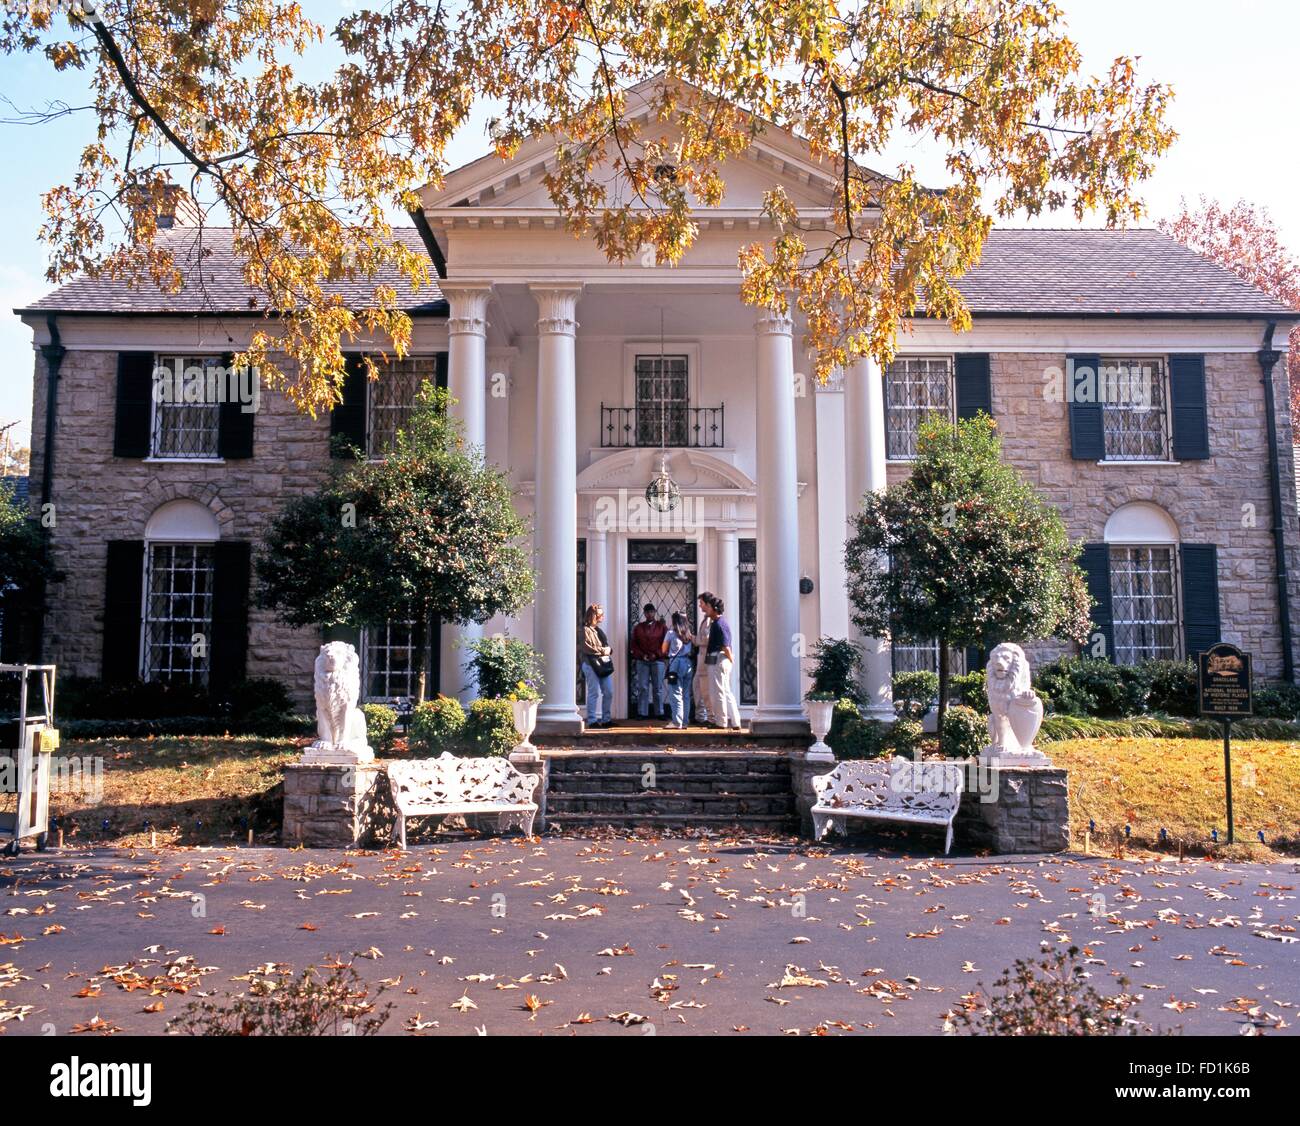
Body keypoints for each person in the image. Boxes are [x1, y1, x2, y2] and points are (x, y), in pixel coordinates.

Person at [698, 591, 742, 730]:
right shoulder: (721, 623)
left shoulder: (718, 624)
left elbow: (725, 645)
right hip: (721, 658)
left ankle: (721, 722)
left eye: (708, 606)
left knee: (718, 692)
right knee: (726, 691)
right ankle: (735, 722)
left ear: (714, 609)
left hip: (718, 659)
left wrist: (730, 658)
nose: (706, 609)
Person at [629, 602, 668, 720]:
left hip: (658, 661)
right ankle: (642, 712)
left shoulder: (662, 627)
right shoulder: (638, 628)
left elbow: (666, 644)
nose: (650, 614)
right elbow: (634, 644)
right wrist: (641, 655)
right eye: (647, 612)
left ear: (654, 612)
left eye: (652, 612)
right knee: (643, 687)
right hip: (643, 661)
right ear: (644, 613)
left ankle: (659, 712)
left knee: (658, 687)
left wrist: (657, 655)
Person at [580, 603, 615, 728]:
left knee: (609, 691)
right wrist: (604, 650)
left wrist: (607, 649)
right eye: (600, 614)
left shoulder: (599, 630)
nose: (602, 616)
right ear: (594, 615)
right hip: (590, 664)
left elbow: (606, 646)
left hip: (603, 665)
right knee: (593, 692)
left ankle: (606, 719)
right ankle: (592, 720)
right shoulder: (585, 630)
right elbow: (587, 647)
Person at [660, 611, 695, 730]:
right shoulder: (689, 634)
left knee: (675, 693)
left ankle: (676, 722)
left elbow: (663, 650)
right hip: (688, 663)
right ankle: (685, 721)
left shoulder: (671, 633)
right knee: (686, 694)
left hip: (675, 664)